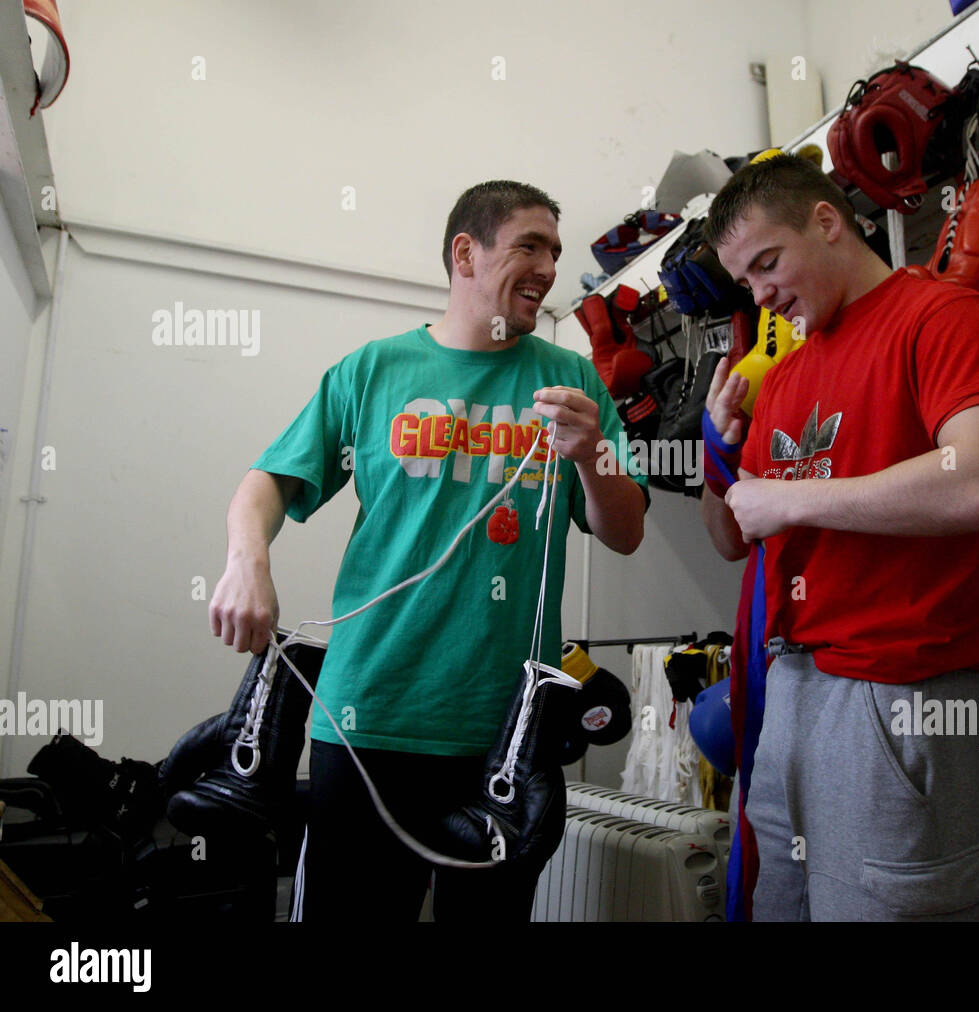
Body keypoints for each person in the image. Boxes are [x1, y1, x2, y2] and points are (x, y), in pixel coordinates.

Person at [207, 180, 648, 922]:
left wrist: (592, 453)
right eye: (529, 247)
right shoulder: (374, 372)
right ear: (465, 254)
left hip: (506, 736)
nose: (546, 268)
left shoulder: (572, 380)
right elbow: (267, 483)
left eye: (556, 252)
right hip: (369, 712)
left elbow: (625, 530)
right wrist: (247, 561)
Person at [700, 154, 979, 921]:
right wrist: (717, 455)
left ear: (827, 222)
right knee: (782, 907)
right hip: (791, 685)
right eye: (746, 283)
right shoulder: (786, 375)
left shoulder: (941, 316)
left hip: (900, 691)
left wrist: (793, 500)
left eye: (768, 263)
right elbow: (731, 537)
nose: (762, 295)